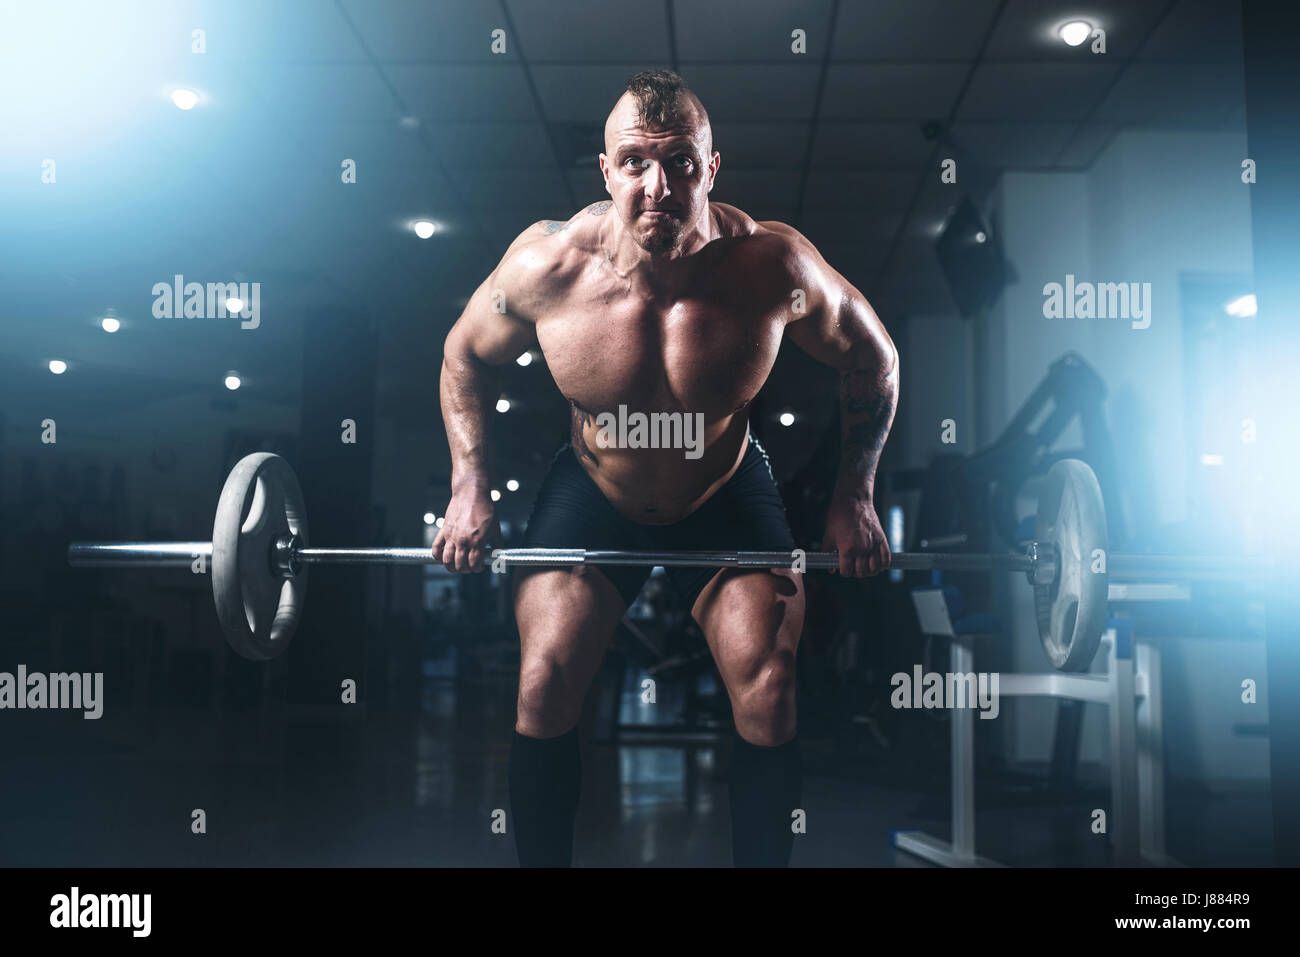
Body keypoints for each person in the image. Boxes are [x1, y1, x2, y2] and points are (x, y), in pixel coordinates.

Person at [435, 69, 898, 866]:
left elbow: (874, 358)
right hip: (594, 487)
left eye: (681, 161)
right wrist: (467, 484)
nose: (659, 186)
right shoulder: (547, 270)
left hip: (722, 487)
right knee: (543, 680)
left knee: (770, 687)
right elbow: (462, 357)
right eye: (637, 163)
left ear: (712, 168)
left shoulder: (772, 269)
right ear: (606, 171)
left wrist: (855, 495)